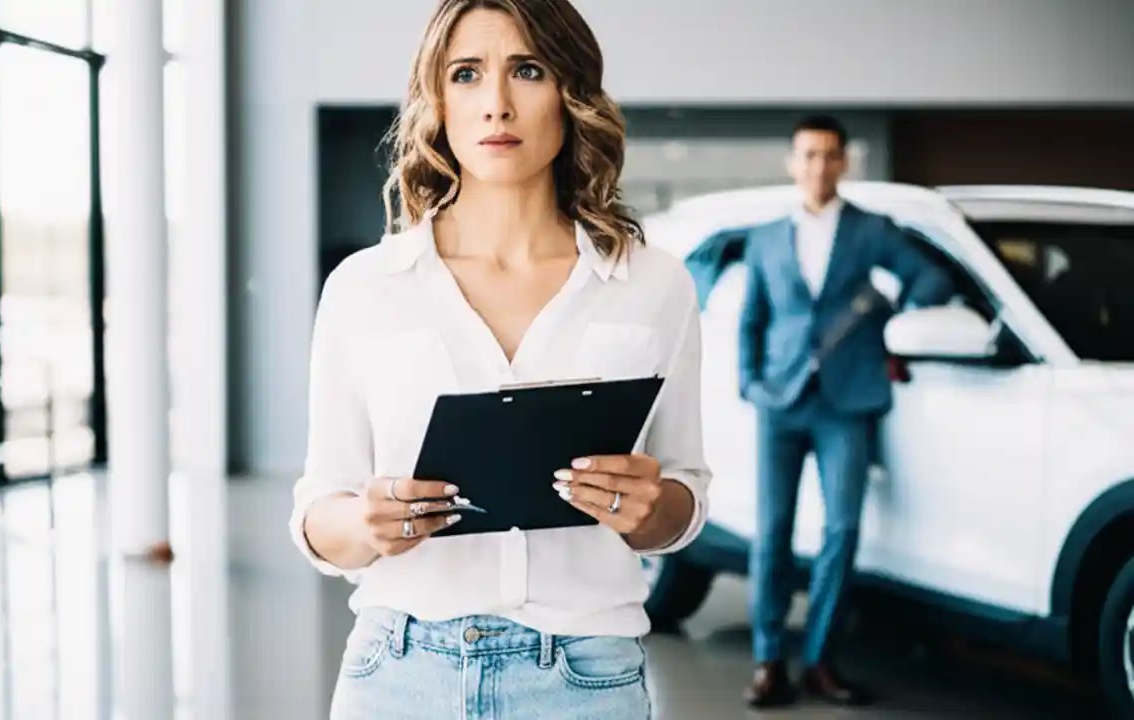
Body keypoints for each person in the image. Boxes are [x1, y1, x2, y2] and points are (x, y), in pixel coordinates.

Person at [289, 1, 711, 718]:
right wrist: (364, 525)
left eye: (528, 70)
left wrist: (647, 511)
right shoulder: (365, 288)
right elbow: (318, 511)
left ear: (570, 91)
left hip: (587, 679)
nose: (496, 104)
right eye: (466, 74)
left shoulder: (653, 284)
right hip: (398, 674)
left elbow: (683, 498)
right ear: (437, 100)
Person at [738, 115, 954, 708]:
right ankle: (768, 661)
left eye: (830, 155)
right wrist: (750, 384)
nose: (819, 166)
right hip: (779, 403)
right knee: (772, 533)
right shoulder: (765, 238)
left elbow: (931, 281)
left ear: (844, 162)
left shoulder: (871, 230)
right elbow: (752, 319)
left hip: (848, 402)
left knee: (842, 530)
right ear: (793, 162)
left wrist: (890, 316)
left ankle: (820, 660)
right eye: (808, 155)